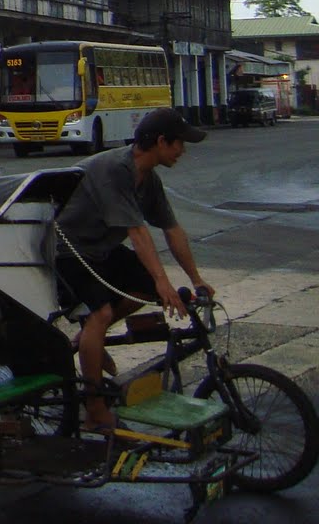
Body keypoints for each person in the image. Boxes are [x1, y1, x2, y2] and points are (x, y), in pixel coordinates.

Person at [54, 107, 213, 431]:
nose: (183, 151)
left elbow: (172, 229)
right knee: (100, 314)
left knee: (147, 291)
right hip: (67, 250)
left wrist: (197, 280)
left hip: (102, 249)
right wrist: (164, 280)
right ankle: (95, 410)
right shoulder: (116, 170)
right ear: (160, 142)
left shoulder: (148, 179)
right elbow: (137, 233)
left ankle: (88, 339)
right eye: (179, 143)